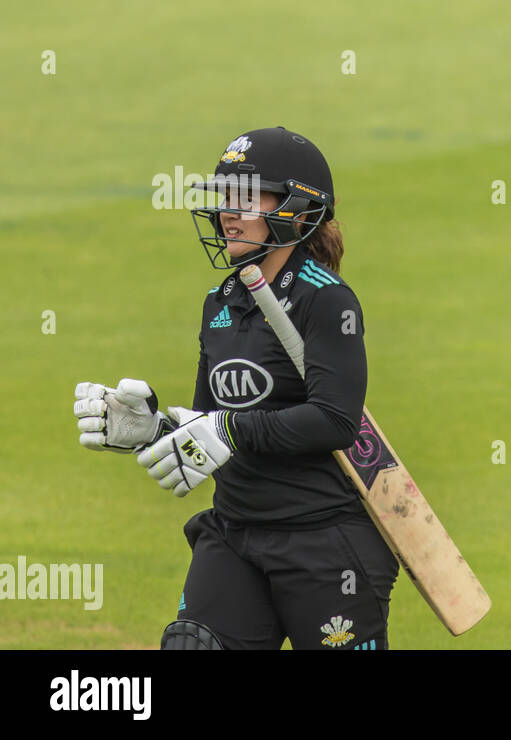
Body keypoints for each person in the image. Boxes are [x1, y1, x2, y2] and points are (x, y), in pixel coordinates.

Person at [72, 127, 398, 650]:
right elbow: (209, 422)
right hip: (236, 531)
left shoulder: (328, 300)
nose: (228, 211)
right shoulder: (221, 302)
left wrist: (231, 427)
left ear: (294, 207)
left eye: (248, 196)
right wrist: (154, 427)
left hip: (324, 544)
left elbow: (335, 420)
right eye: (225, 197)